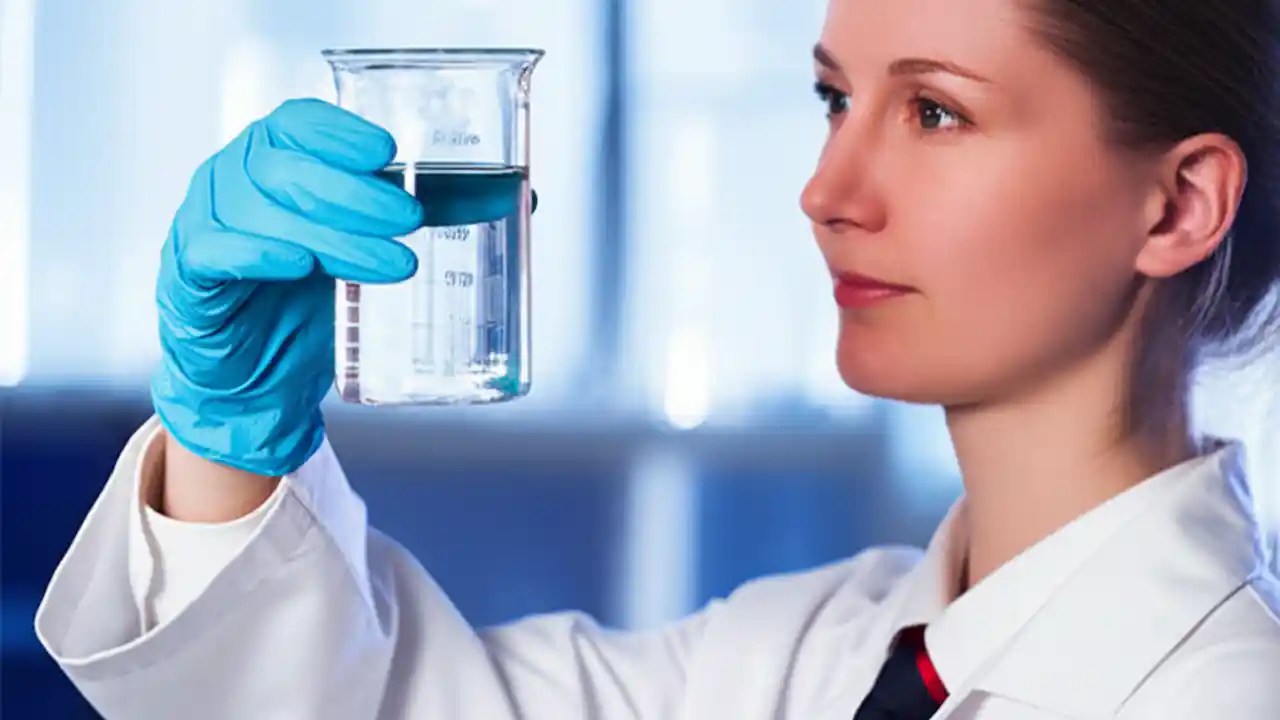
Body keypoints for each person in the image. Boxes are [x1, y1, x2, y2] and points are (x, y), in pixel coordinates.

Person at [35, 0, 1280, 718]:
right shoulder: (808, 650)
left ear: (1174, 206)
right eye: (832, 101)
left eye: (935, 112)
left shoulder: (1220, 694)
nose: (825, 190)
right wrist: (228, 443)